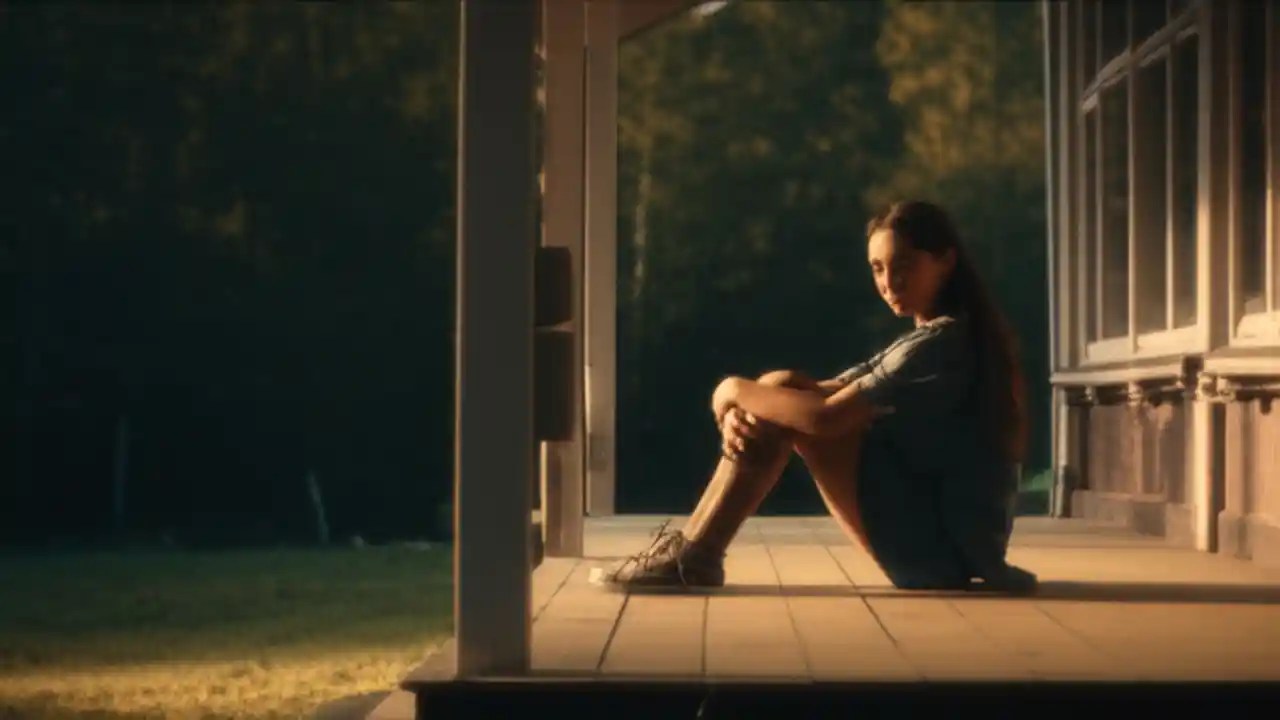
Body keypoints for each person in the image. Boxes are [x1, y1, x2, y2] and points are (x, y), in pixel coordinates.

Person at [603, 199, 1038, 594]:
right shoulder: (940, 337)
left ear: (945, 261)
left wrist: (730, 390)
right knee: (783, 390)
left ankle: (695, 556)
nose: (889, 282)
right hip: (943, 549)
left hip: (935, 557)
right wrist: (747, 403)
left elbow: (824, 418)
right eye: (878, 268)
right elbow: (819, 393)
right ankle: (694, 553)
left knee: (791, 404)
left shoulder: (942, 345)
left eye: (903, 264)